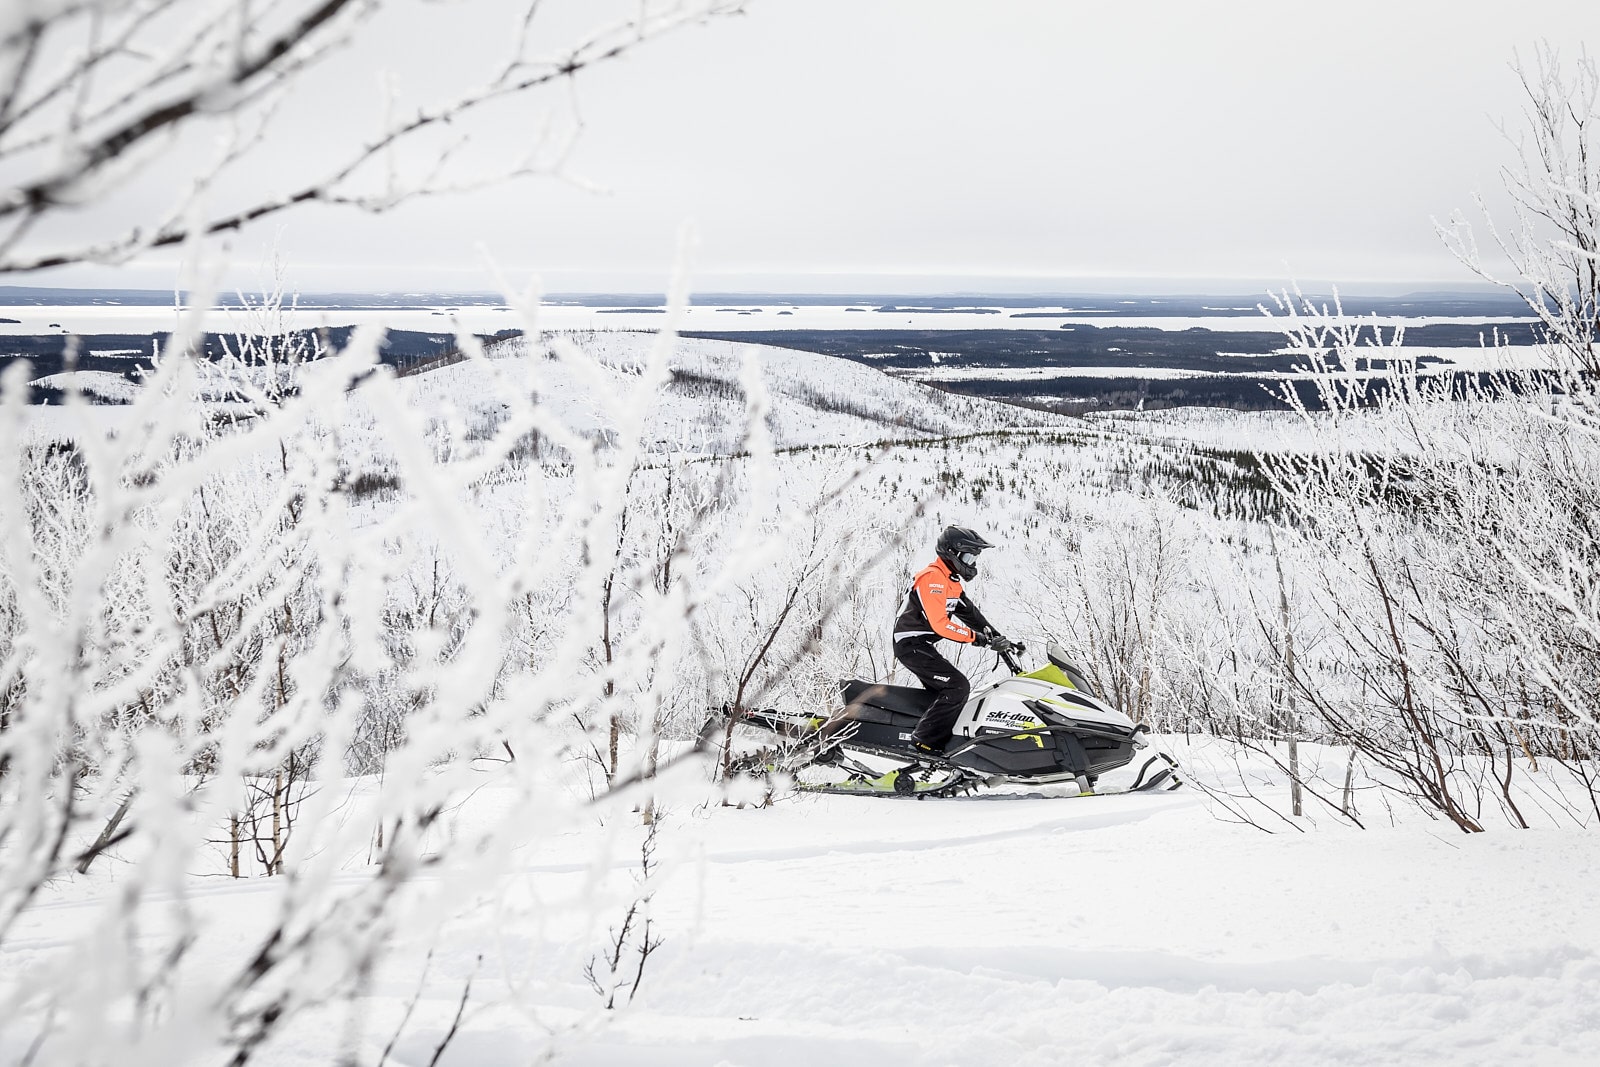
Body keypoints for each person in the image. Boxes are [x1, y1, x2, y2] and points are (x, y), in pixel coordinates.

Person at [893, 525, 1014, 755]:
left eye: (975, 558)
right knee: (957, 686)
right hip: (910, 644)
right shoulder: (933, 579)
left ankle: (931, 736)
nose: (972, 563)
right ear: (952, 553)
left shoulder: (950, 582)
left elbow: (971, 615)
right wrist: (979, 639)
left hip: (921, 644)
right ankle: (924, 743)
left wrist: (998, 638)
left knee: (944, 694)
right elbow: (941, 624)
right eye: (969, 556)